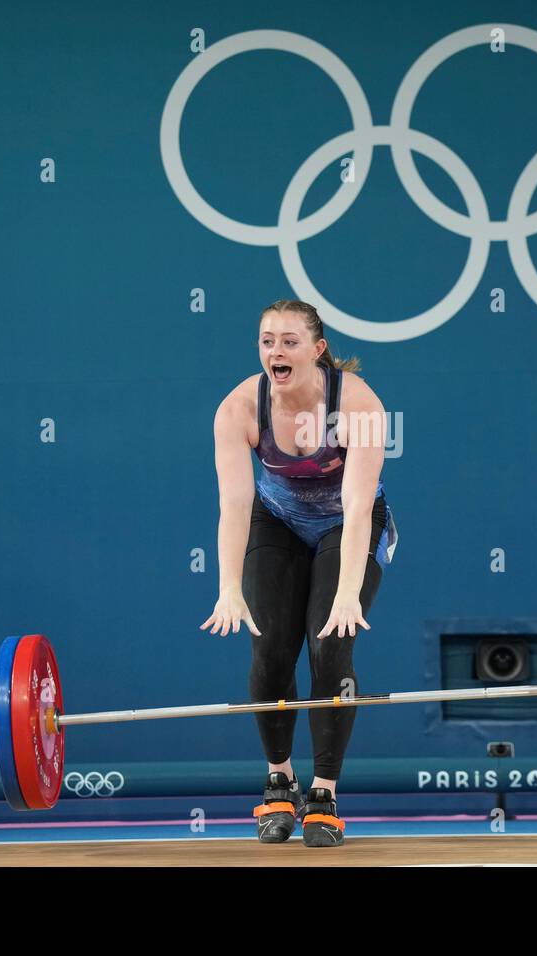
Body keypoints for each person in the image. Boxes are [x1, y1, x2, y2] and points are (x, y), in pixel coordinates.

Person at [201, 298, 397, 847]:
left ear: (318, 349)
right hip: (278, 523)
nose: (276, 352)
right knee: (269, 649)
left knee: (330, 646)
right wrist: (227, 587)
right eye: (267, 341)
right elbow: (235, 505)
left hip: (347, 526)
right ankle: (280, 779)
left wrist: (347, 591)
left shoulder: (356, 404)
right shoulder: (239, 408)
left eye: (289, 341)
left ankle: (325, 793)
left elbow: (358, 506)